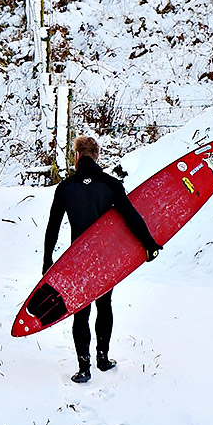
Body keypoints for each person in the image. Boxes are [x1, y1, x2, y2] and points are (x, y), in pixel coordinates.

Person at [42, 135, 161, 383]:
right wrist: (149, 245)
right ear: (96, 155)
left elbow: (52, 227)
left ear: (77, 157)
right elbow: (132, 217)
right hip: (104, 259)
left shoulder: (65, 187)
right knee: (104, 305)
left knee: (80, 312)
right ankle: (103, 358)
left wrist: (47, 261)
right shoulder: (111, 185)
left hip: (79, 258)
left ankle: (83, 368)